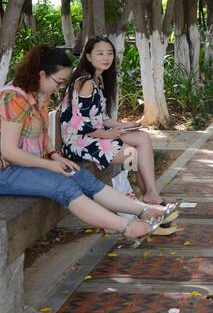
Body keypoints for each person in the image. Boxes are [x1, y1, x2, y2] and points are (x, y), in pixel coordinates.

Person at [0, 44, 177, 243]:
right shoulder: (13, 98)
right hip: (1, 173)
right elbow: (9, 151)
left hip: (28, 166)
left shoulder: (39, 95)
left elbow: (43, 137)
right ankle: (128, 227)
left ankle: (146, 210)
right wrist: (51, 165)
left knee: (81, 177)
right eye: (59, 82)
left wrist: (55, 156)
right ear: (41, 74)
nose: (59, 88)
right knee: (64, 185)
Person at [60, 36, 164, 205]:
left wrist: (123, 126)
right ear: (88, 56)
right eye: (100, 53)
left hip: (94, 134)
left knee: (142, 137)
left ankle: (149, 193)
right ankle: (145, 194)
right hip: (78, 141)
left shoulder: (97, 80)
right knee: (133, 153)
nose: (106, 58)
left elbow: (100, 118)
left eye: (109, 53)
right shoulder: (85, 82)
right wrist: (109, 135)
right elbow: (82, 125)